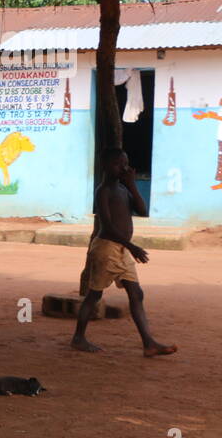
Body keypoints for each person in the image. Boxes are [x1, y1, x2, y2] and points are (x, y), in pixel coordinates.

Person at [72, 148, 177, 356]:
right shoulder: (103, 191)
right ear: (105, 166)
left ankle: (149, 343)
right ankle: (78, 338)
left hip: (121, 250)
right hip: (106, 248)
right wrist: (133, 247)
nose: (123, 168)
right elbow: (108, 227)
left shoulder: (123, 190)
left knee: (136, 293)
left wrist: (132, 185)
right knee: (94, 295)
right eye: (117, 164)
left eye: (125, 164)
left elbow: (143, 211)